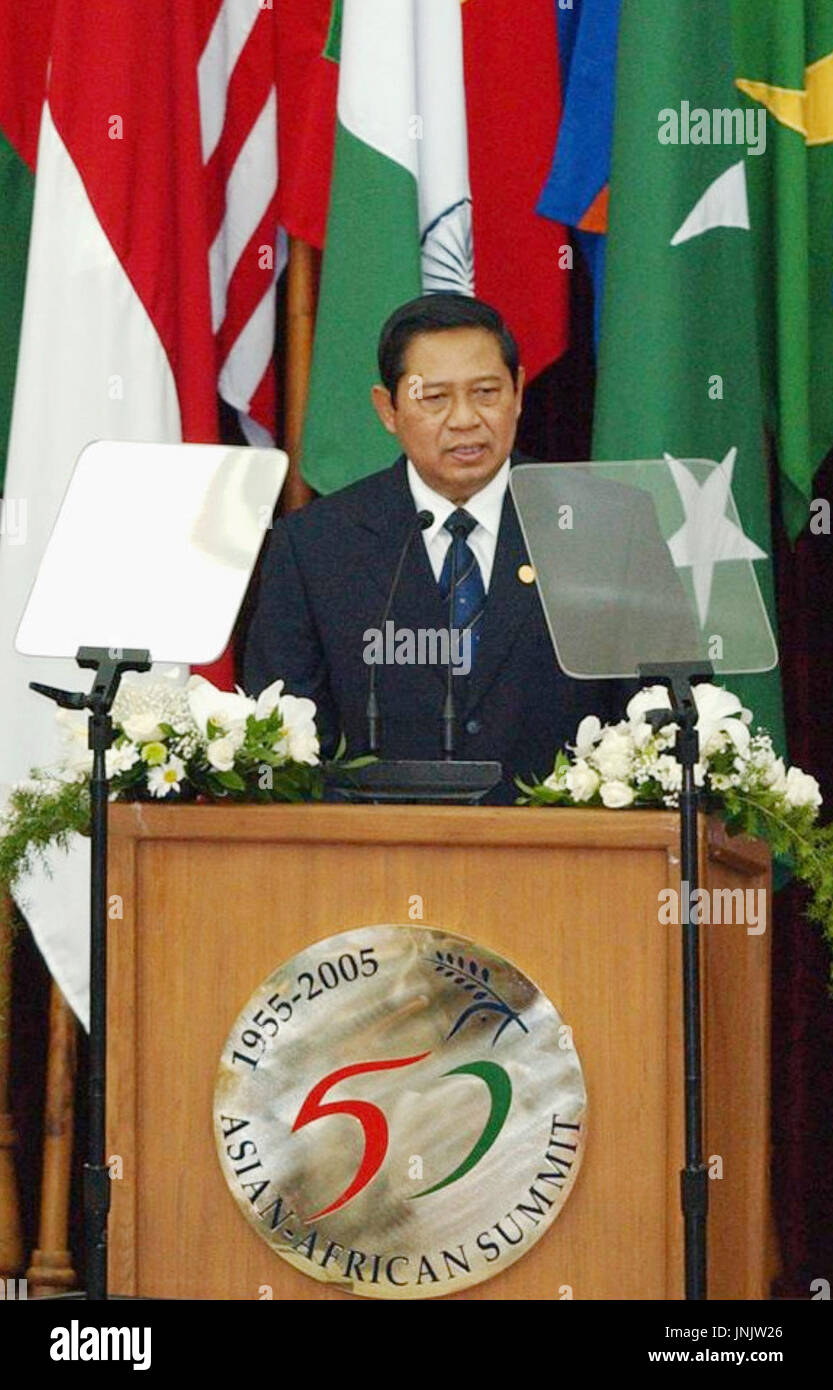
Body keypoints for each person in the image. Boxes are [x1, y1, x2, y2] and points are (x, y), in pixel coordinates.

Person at [243, 293, 690, 802]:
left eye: (486, 392)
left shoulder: (608, 528)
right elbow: (283, 742)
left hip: (567, 861)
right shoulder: (316, 545)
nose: (464, 419)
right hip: (375, 864)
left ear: (519, 392)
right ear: (388, 409)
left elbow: (667, 720)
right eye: (433, 398)